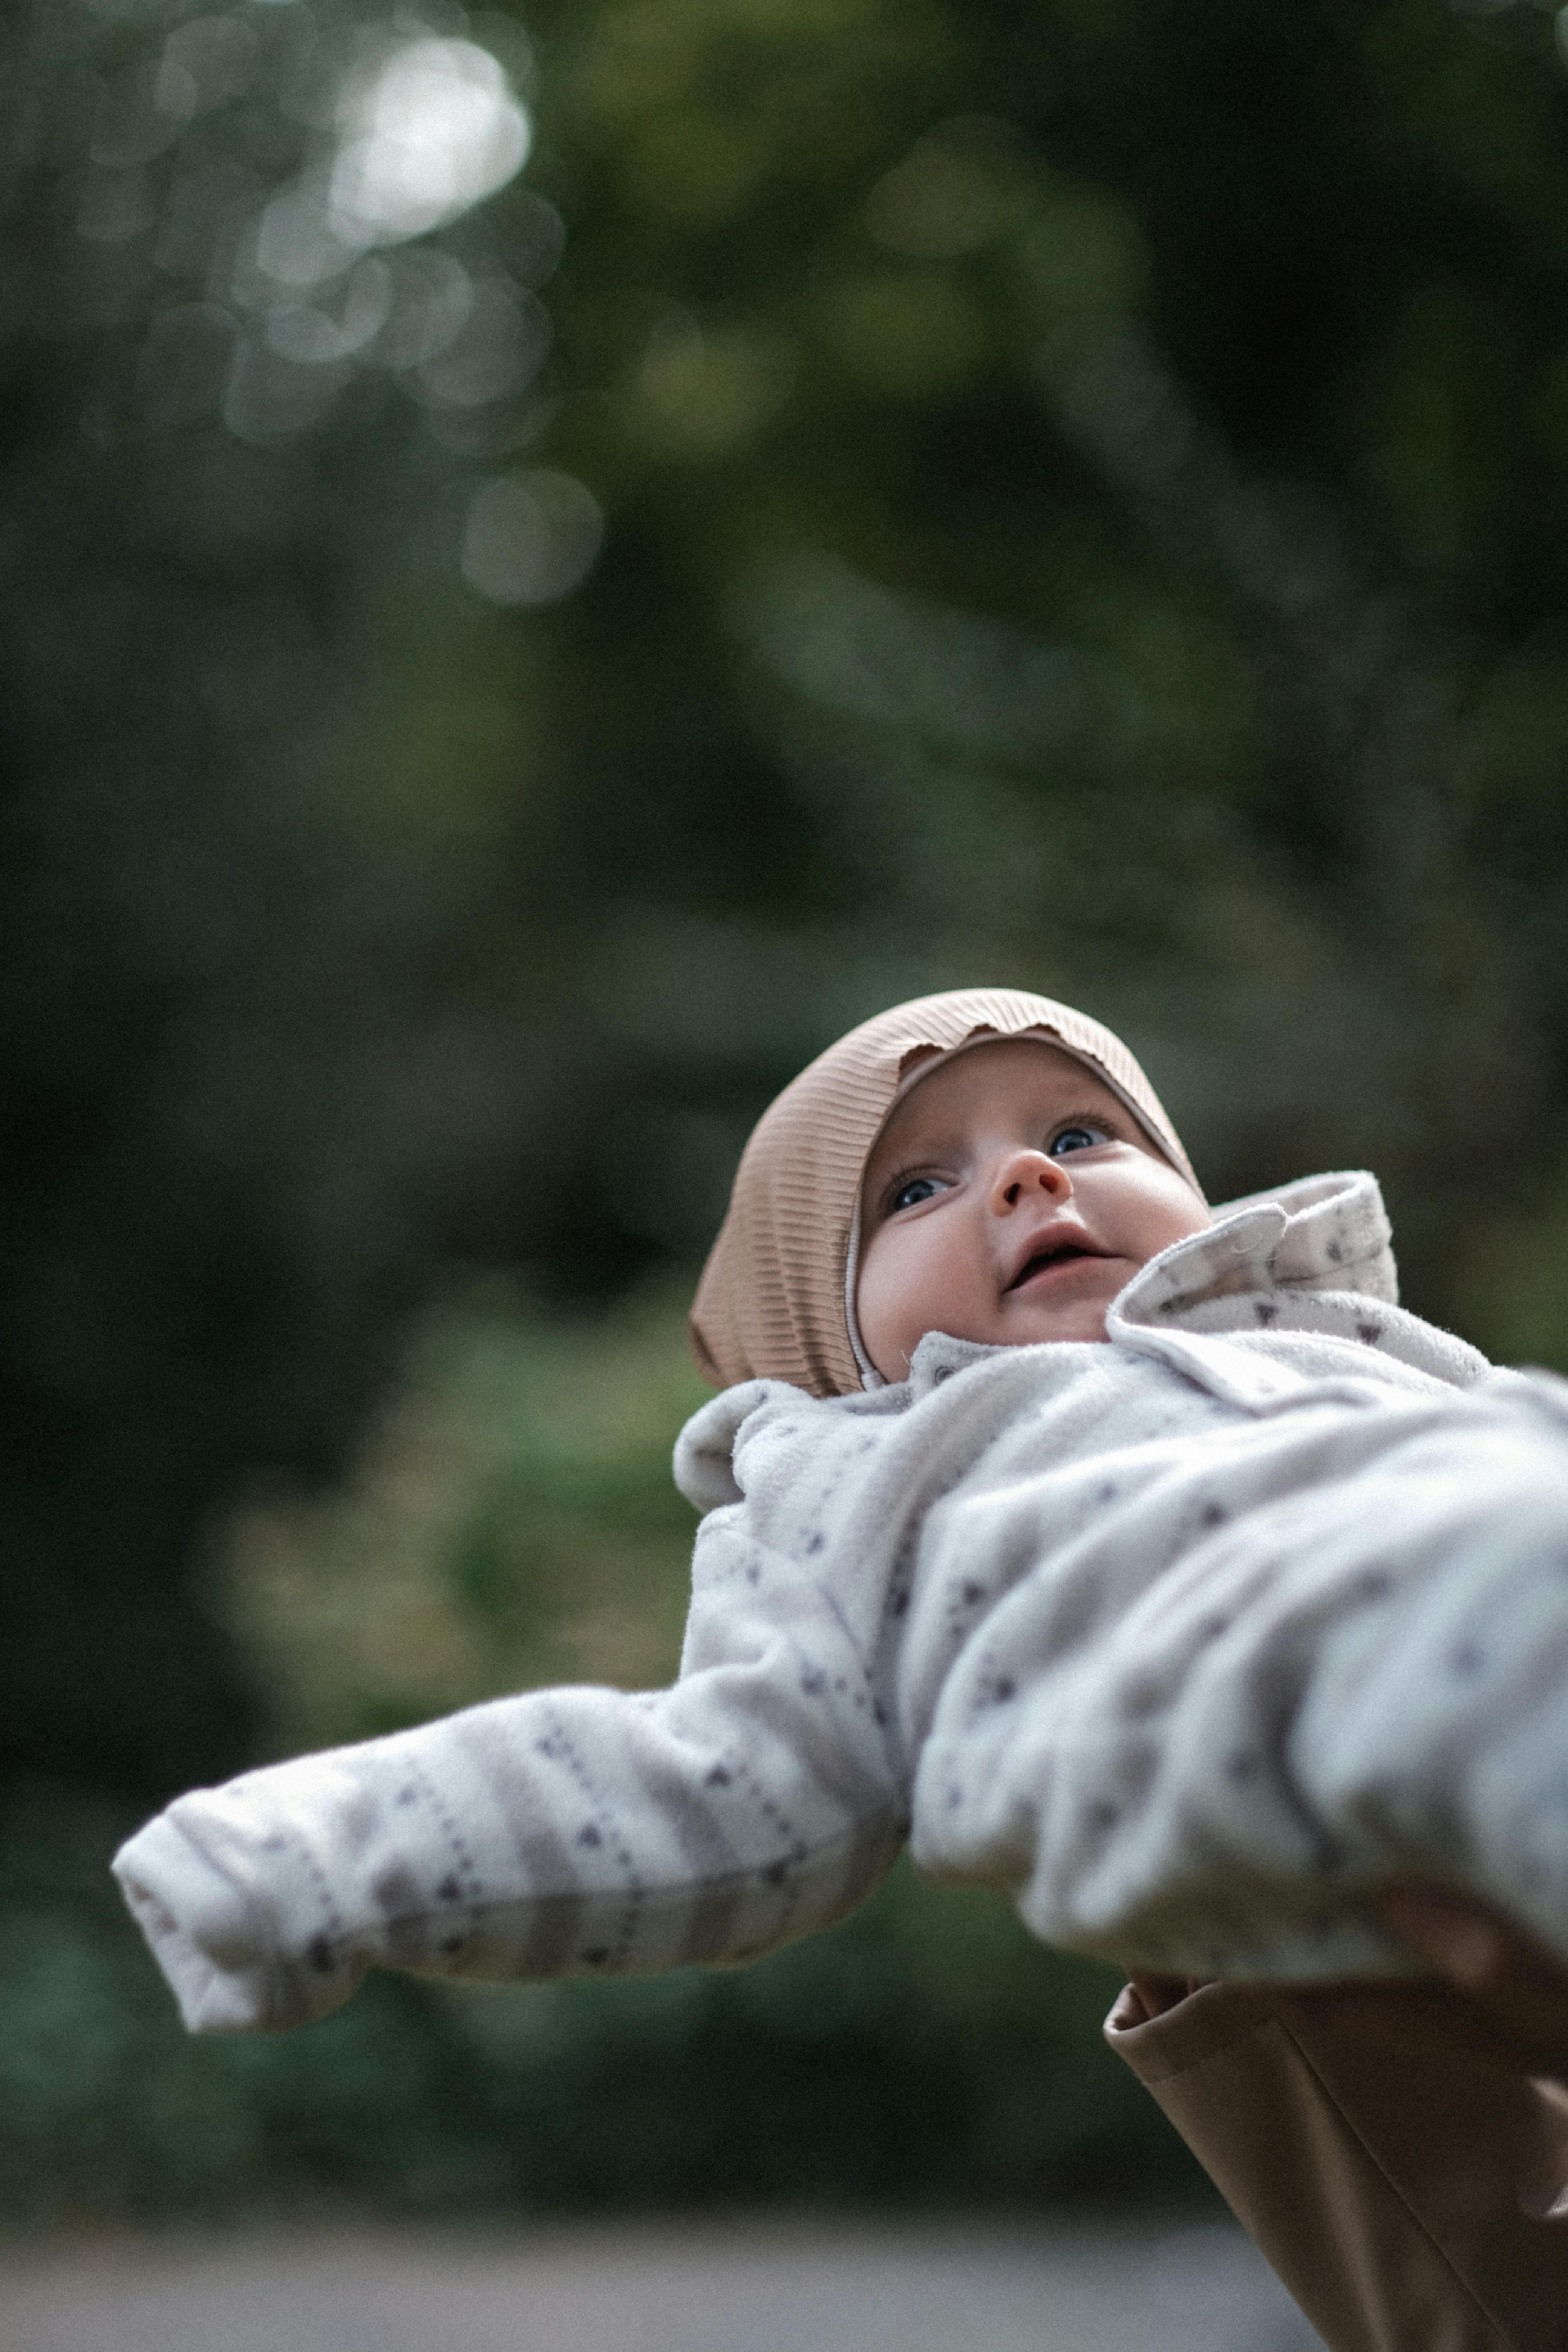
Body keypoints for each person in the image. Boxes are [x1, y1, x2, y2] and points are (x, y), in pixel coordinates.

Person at [115, 986, 1568, 2345]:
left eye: (1081, 1134)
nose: (1028, 1179)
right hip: (1247, 1706)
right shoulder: (864, 1471)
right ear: (829, 1338)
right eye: (915, 1188)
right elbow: (714, 1781)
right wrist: (307, 1856)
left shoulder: (1354, 1339)